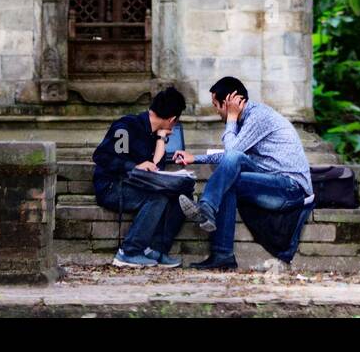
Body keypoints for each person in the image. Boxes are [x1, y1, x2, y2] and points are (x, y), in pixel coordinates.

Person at [173, 76, 313, 270]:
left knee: (233, 164)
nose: (215, 110)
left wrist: (230, 118)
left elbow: (232, 154)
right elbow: (232, 158)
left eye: (216, 105)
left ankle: (206, 207)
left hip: (290, 188)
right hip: (271, 179)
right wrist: (195, 158)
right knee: (230, 178)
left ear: (230, 102)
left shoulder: (258, 117)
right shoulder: (246, 120)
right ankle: (223, 256)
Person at [91, 86, 190, 268]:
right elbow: (102, 156)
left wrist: (161, 139)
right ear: (172, 119)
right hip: (112, 186)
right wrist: (134, 166)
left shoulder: (154, 135)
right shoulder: (127, 127)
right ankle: (129, 252)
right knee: (158, 198)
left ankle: (153, 249)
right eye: (175, 123)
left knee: (181, 195)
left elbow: (155, 167)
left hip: (135, 185)